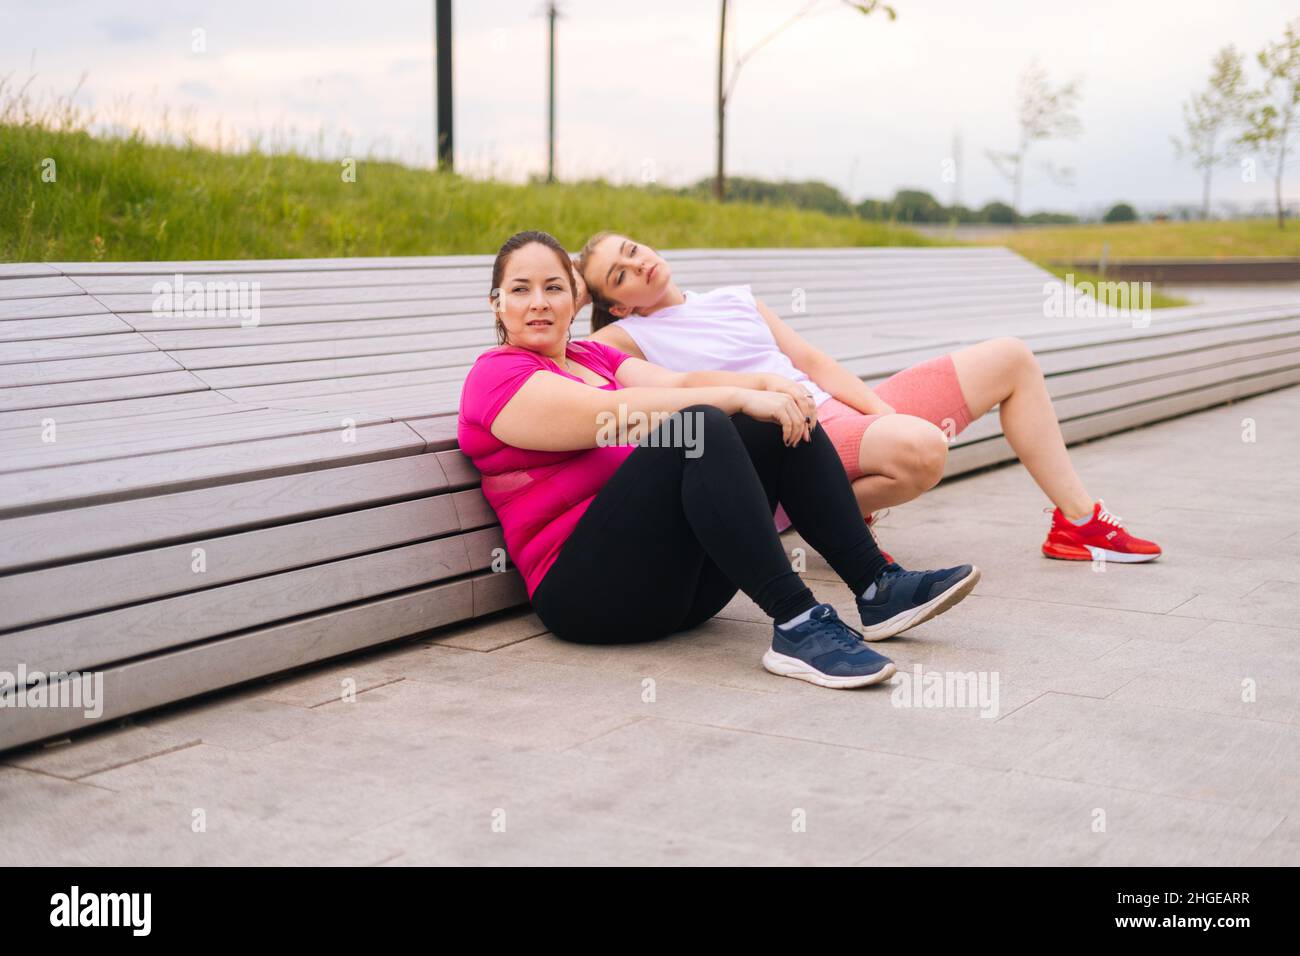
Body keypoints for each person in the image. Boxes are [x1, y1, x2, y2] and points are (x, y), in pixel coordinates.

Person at [456, 230, 981, 690]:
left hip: (683, 593)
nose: (539, 302)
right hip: (587, 598)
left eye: (553, 287)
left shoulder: (596, 357)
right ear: (496, 304)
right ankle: (798, 624)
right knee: (701, 425)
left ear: (574, 298)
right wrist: (736, 398)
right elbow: (607, 413)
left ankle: (877, 586)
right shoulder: (495, 376)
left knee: (768, 417)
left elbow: (682, 382)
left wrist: (770, 386)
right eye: (520, 290)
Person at [575, 231, 1162, 565]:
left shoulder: (734, 299)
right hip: (787, 437)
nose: (636, 263)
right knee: (924, 449)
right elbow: (566, 349)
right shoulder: (627, 336)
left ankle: (1078, 522)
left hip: (837, 416)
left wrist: (879, 411)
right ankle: (824, 515)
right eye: (618, 275)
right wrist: (576, 280)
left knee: (1011, 356)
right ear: (616, 304)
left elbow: (814, 364)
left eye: (631, 249)